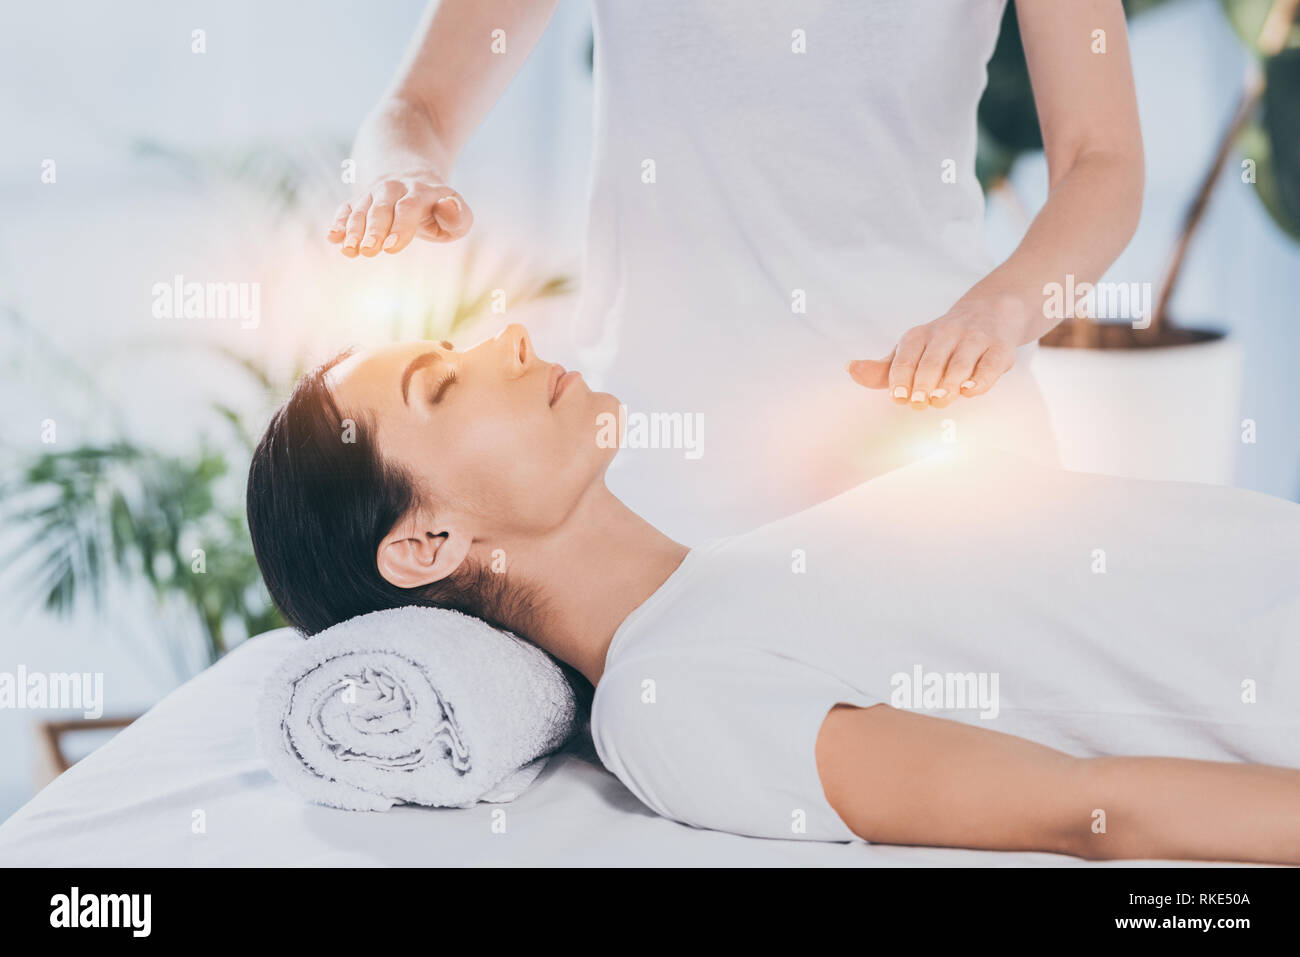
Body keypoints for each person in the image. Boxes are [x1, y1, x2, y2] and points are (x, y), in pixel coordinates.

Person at [247, 325, 1300, 863]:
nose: (509, 341)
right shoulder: (669, 702)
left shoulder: (745, 570)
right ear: (427, 542)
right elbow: (1087, 812)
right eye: (444, 384)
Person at [323, 0, 1144, 540]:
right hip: (660, 481)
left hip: (941, 451)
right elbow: (416, 110)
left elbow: (1103, 162)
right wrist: (401, 172)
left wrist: (998, 313)